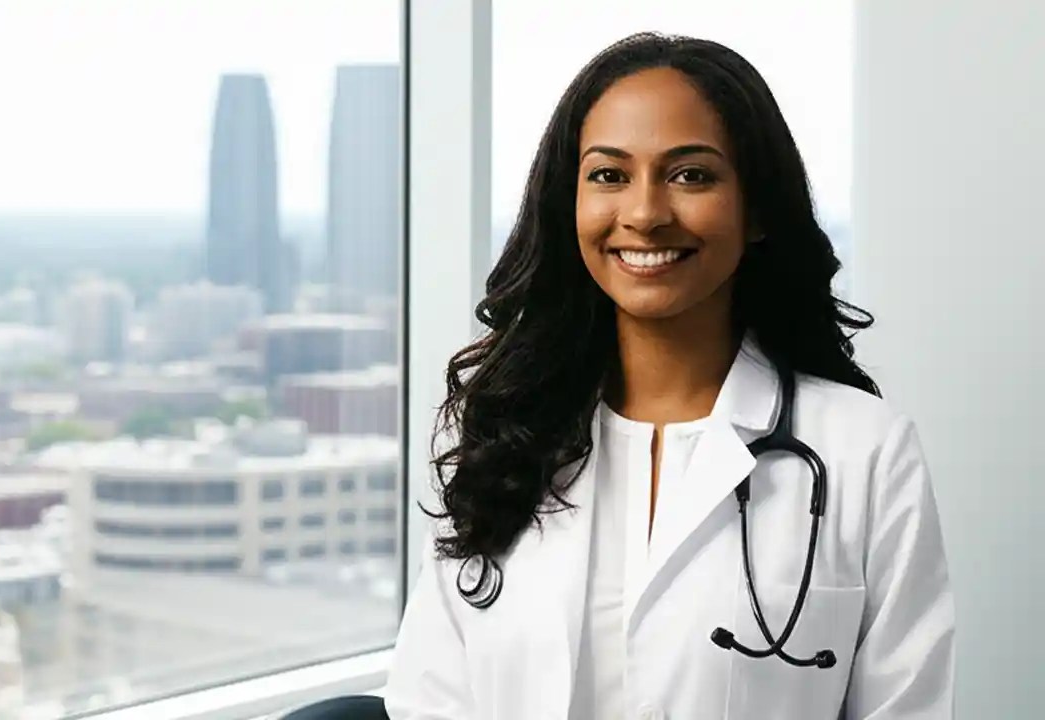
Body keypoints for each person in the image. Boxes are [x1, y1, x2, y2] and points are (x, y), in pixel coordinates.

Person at [384, 32, 955, 720]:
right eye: (608, 176)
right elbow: (429, 702)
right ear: (568, 207)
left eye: (691, 175)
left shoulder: (864, 451)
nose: (646, 214)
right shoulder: (502, 435)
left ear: (759, 211)